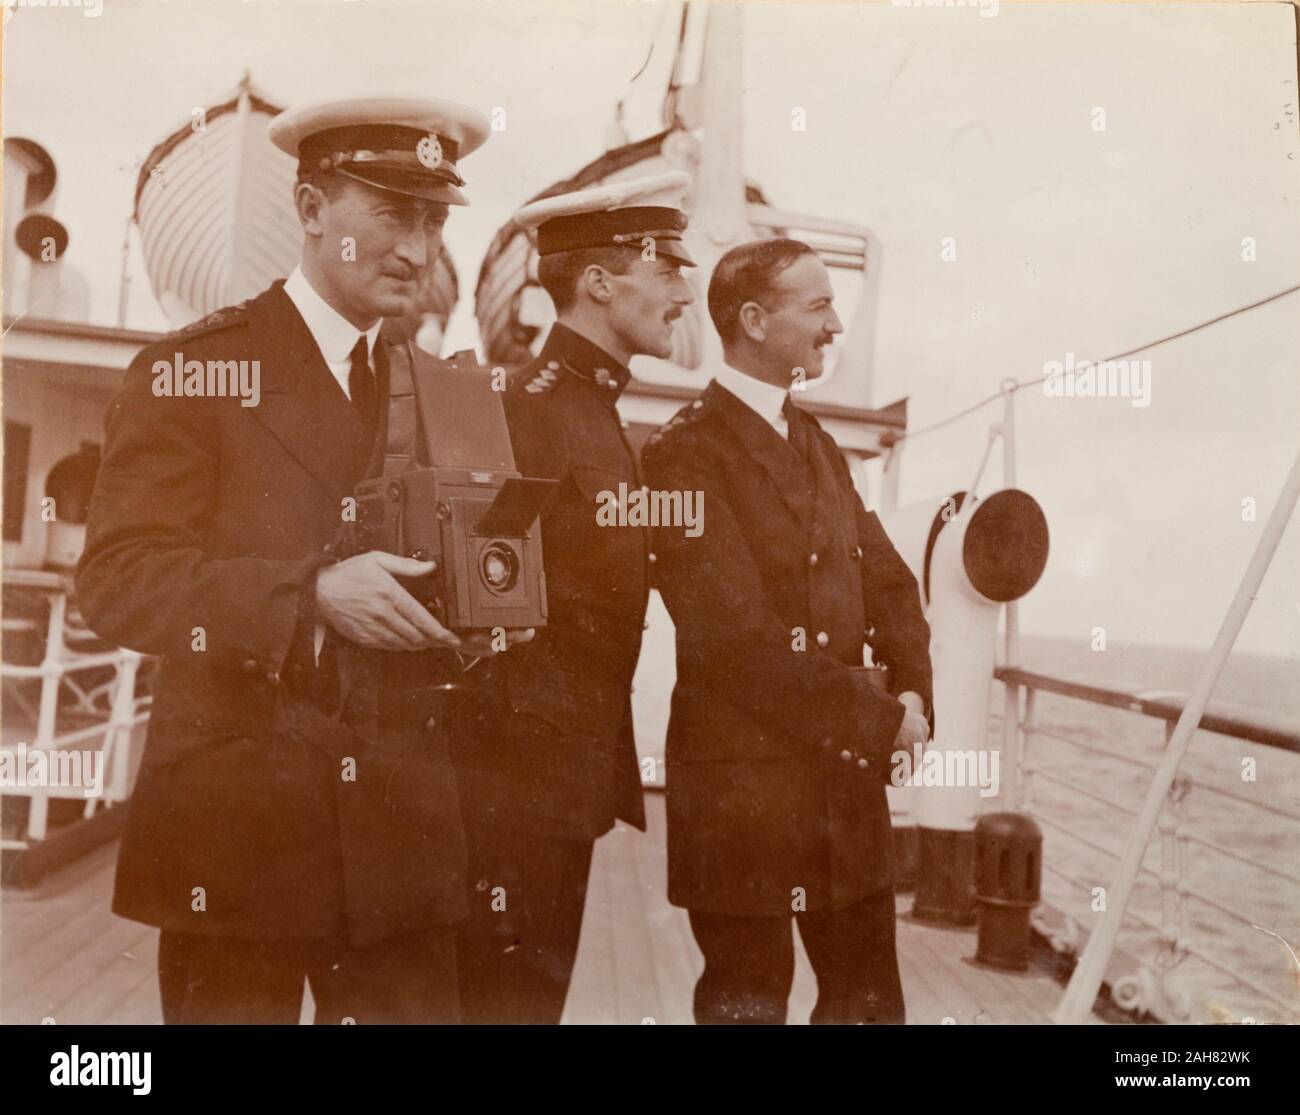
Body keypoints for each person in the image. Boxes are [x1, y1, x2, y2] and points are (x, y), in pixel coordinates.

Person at [75, 96, 507, 1024]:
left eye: (432, 219)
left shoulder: (443, 392)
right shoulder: (194, 370)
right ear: (311, 210)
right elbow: (118, 580)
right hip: (240, 845)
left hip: (399, 842)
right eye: (392, 213)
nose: (418, 249)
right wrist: (307, 594)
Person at [641, 237, 934, 1025]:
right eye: (819, 306)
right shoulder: (682, 457)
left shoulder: (824, 450)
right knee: (747, 1003)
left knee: (869, 1005)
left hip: (842, 793)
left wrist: (911, 685)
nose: (834, 326)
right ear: (754, 320)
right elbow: (734, 641)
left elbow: (892, 585)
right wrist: (882, 721)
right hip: (743, 798)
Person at [450, 172, 697, 1023]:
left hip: (558, 783)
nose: (683, 288)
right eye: (665, 266)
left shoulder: (591, 413)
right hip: (511, 788)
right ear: (598, 282)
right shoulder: (531, 410)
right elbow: (479, 602)